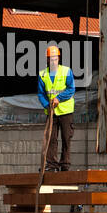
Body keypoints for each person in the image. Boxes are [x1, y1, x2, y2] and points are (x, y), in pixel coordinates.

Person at [37, 44, 75, 172]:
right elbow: (41, 94)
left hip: (65, 111)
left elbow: (71, 89)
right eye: (50, 58)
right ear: (47, 60)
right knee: (51, 139)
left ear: (58, 58)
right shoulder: (42, 75)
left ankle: (65, 164)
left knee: (66, 137)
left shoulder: (66, 71)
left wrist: (59, 98)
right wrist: (47, 105)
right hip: (51, 112)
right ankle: (52, 165)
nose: (53, 61)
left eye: (55, 58)